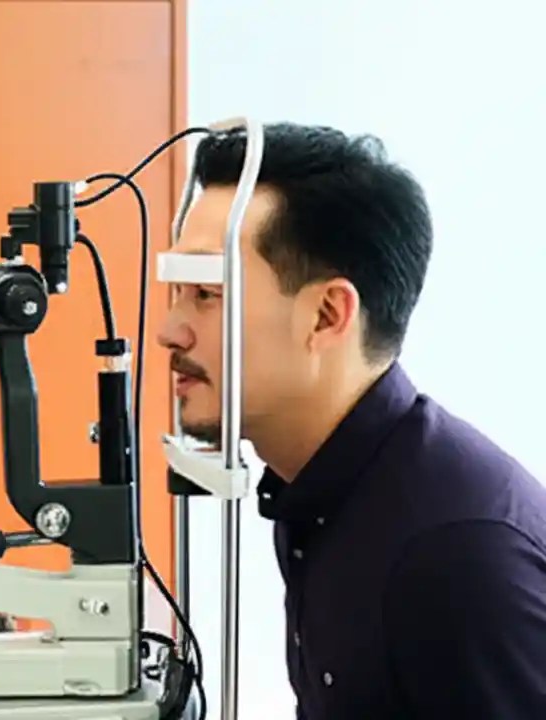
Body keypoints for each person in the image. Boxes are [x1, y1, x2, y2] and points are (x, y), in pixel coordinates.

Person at [156, 123, 546, 718]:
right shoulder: (316, 491)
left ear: (327, 316)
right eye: (176, 291)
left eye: (206, 293)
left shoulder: (454, 559)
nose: (170, 330)